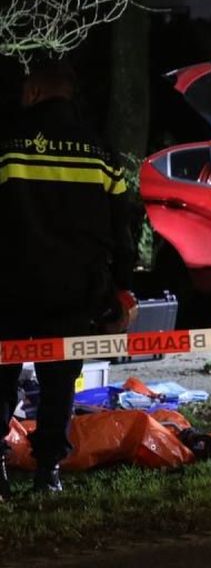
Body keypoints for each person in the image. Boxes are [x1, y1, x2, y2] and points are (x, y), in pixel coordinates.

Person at [0, 59, 136, 497]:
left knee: (1, 376)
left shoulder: (6, 145)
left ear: (35, 92)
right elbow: (122, 230)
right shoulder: (100, 151)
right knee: (60, 383)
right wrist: (121, 290)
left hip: (11, 289)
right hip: (75, 294)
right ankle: (48, 474)